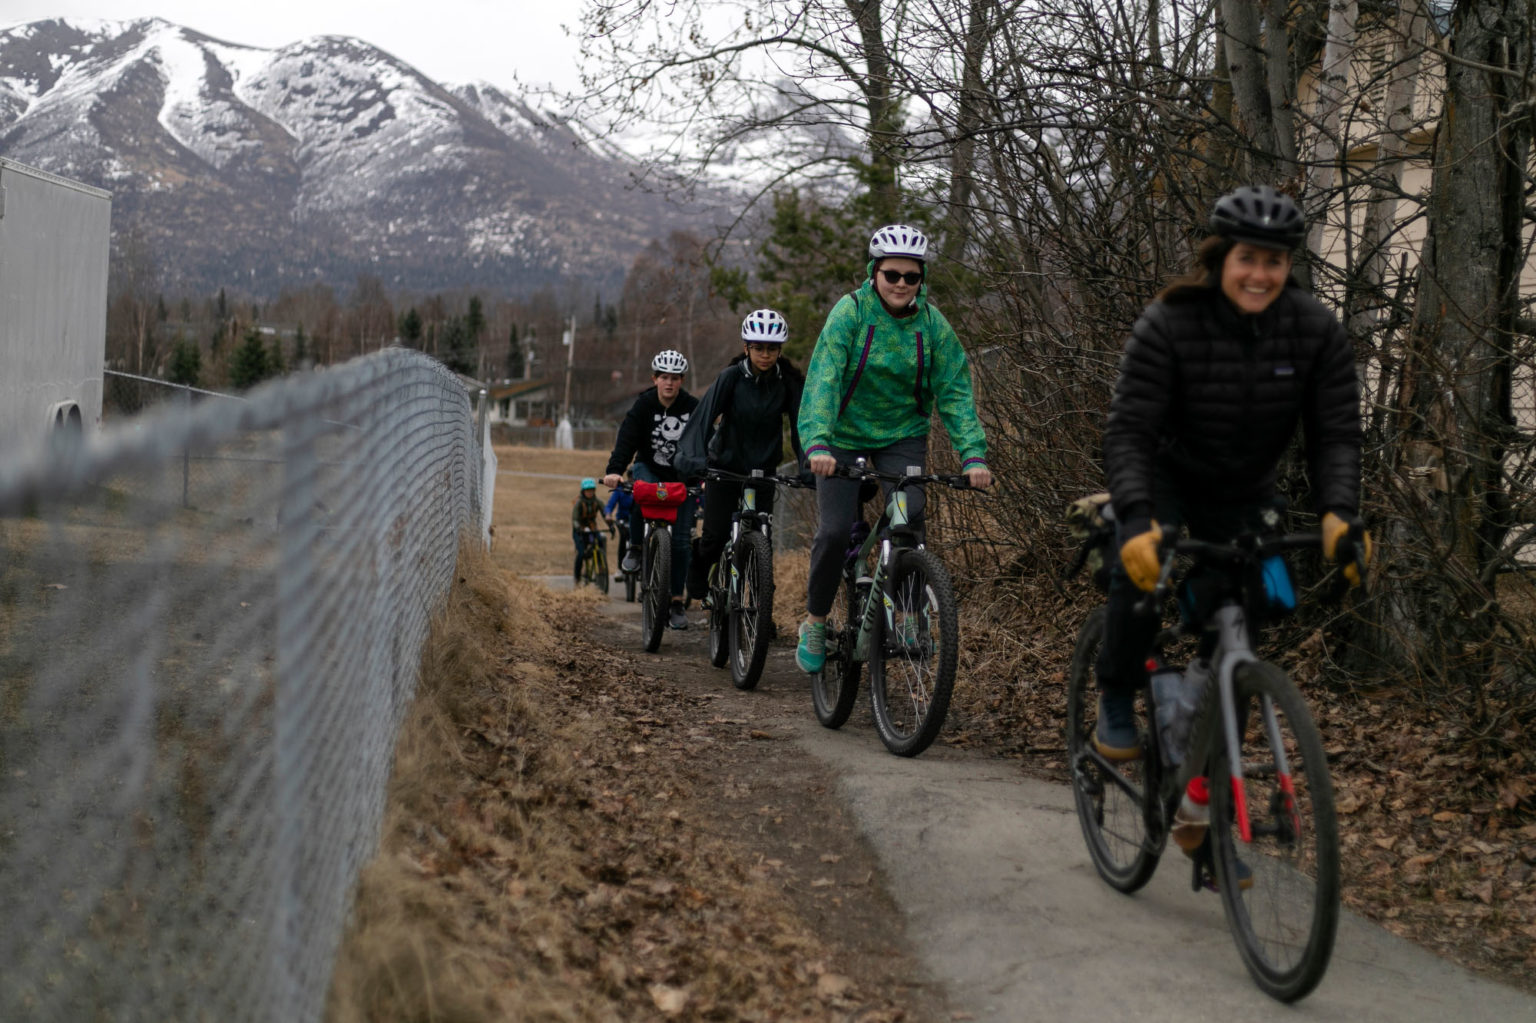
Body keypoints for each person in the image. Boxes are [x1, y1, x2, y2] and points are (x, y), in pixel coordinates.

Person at [1096, 185, 1371, 858]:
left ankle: (1196, 794)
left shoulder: (1313, 330)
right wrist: (1136, 518)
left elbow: (1336, 433)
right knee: (1140, 571)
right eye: (1248, 257)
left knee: (1242, 625)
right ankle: (1114, 695)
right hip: (1167, 473)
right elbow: (1130, 429)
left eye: (1274, 262)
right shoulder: (1170, 322)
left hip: (1245, 487)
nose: (1260, 274)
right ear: (1220, 257)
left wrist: (1339, 512)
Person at [796, 224, 992, 673]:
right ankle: (815, 619)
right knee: (831, 532)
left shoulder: (932, 324)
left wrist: (973, 455)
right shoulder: (850, 312)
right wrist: (819, 442)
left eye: (911, 276)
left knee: (908, 517)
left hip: (902, 433)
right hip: (842, 437)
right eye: (892, 275)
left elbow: (956, 391)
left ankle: (907, 615)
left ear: (922, 279)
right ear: (874, 273)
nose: (902, 284)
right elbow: (824, 379)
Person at [674, 309, 806, 608]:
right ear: (746, 347)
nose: (765, 355)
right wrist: (692, 458)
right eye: (758, 348)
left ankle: (760, 616)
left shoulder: (788, 382)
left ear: (779, 350)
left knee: (763, 545)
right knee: (715, 537)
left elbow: (802, 428)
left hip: (763, 471)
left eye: (772, 349)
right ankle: (699, 564)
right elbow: (704, 418)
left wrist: (808, 465)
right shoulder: (731, 378)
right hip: (725, 467)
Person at [602, 349, 699, 629]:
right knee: (640, 491)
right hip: (650, 467)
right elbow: (627, 438)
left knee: (681, 542)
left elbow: (706, 439)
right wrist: (614, 470)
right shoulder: (644, 405)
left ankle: (677, 602)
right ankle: (634, 546)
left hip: (683, 476)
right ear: (654, 378)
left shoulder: (693, 406)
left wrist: (707, 470)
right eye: (664, 377)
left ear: (682, 380)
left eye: (675, 378)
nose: (669, 383)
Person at [571, 477, 608, 587]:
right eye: (588, 490)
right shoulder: (579, 503)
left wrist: (610, 525)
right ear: (583, 491)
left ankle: (601, 566)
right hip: (580, 531)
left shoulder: (598, 502)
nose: (590, 492)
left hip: (592, 529)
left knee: (600, 541)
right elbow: (575, 519)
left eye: (592, 490)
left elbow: (606, 514)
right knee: (581, 553)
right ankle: (577, 578)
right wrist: (579, 528)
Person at [604, 468, 635, 581]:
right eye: (631, 477)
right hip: (622, 520)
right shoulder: (621, 489)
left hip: (635, 520)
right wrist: (608, 514)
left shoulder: (641, 489)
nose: (633, 480)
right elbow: (610, 504)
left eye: (635, 477)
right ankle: (620, 569)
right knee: (623, 539)